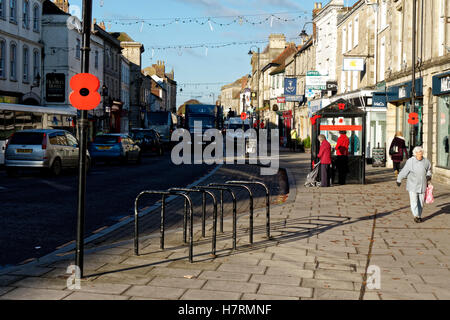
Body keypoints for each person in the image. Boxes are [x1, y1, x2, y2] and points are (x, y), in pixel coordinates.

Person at [397, 146, 432, 223]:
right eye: (419, 153)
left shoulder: (426, 161)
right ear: (415, 154)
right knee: (414, 201)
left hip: (422, 185)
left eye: (421, 153)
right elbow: (404, 170)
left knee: (421, 202)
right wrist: (399, 179)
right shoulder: (410, 161)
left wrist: (429, 175)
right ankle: (416, 216)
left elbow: (429, 169)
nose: (420, 154)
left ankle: (419, 215)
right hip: (412, 184)